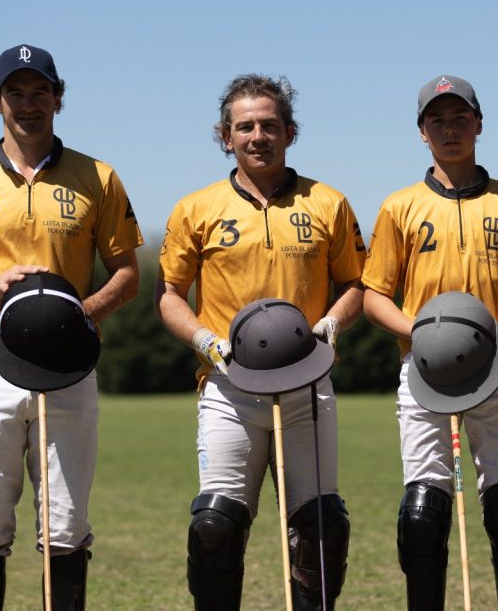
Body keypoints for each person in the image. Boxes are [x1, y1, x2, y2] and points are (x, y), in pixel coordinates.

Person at [0, 43, 143, 610]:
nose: (28, 104)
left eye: (40, 92)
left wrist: (81, 314)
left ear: (59, 99)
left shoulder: (98, 176)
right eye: (16, 92)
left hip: (68, 371)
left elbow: (128, 275)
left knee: (65, 529)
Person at [154, 74, 365, 610]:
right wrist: (205, 340)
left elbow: (356, 285)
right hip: (229, 387)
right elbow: (170, 295)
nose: (257, 136)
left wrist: (333, 324)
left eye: (269, 125)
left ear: (290, 132)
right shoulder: (195, 209)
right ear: (226, 137)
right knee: (216, 525)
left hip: (307, 387)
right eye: (244, 127)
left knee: (321, 527)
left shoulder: (329, 203)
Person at [362, 75, 498, 610]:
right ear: (421, 132)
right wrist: (417, 336)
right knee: (423, 511)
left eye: (460, 118)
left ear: (479, 124)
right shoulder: (400, 207)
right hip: (424, 373)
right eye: (437, 120)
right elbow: (375, 294)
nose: (450, 129)